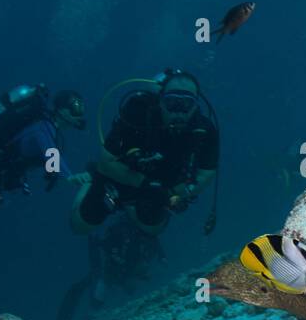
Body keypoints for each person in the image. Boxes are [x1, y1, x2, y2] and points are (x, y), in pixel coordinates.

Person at [71, 69, 219, 236]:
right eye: (172, 103)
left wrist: (173, 193)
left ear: (195, 106)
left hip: (163, 187)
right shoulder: (137, 112)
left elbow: (207, 173)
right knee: (82, 224)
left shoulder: (204, 130)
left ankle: (131, 210)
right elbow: (106, 162)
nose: (178, 111)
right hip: (119, 175)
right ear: (161, 101)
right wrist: (145, 184)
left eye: (186, 104)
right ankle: (90, 183)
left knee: (151, 226)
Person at [55, 215, 162, 320]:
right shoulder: (120, 238)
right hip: (112, 270)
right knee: (99, 285)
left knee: (103, 285)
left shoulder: (137, 244)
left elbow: (151, 246)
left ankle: (91, 311)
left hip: (121, 269)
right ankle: (88, 313)